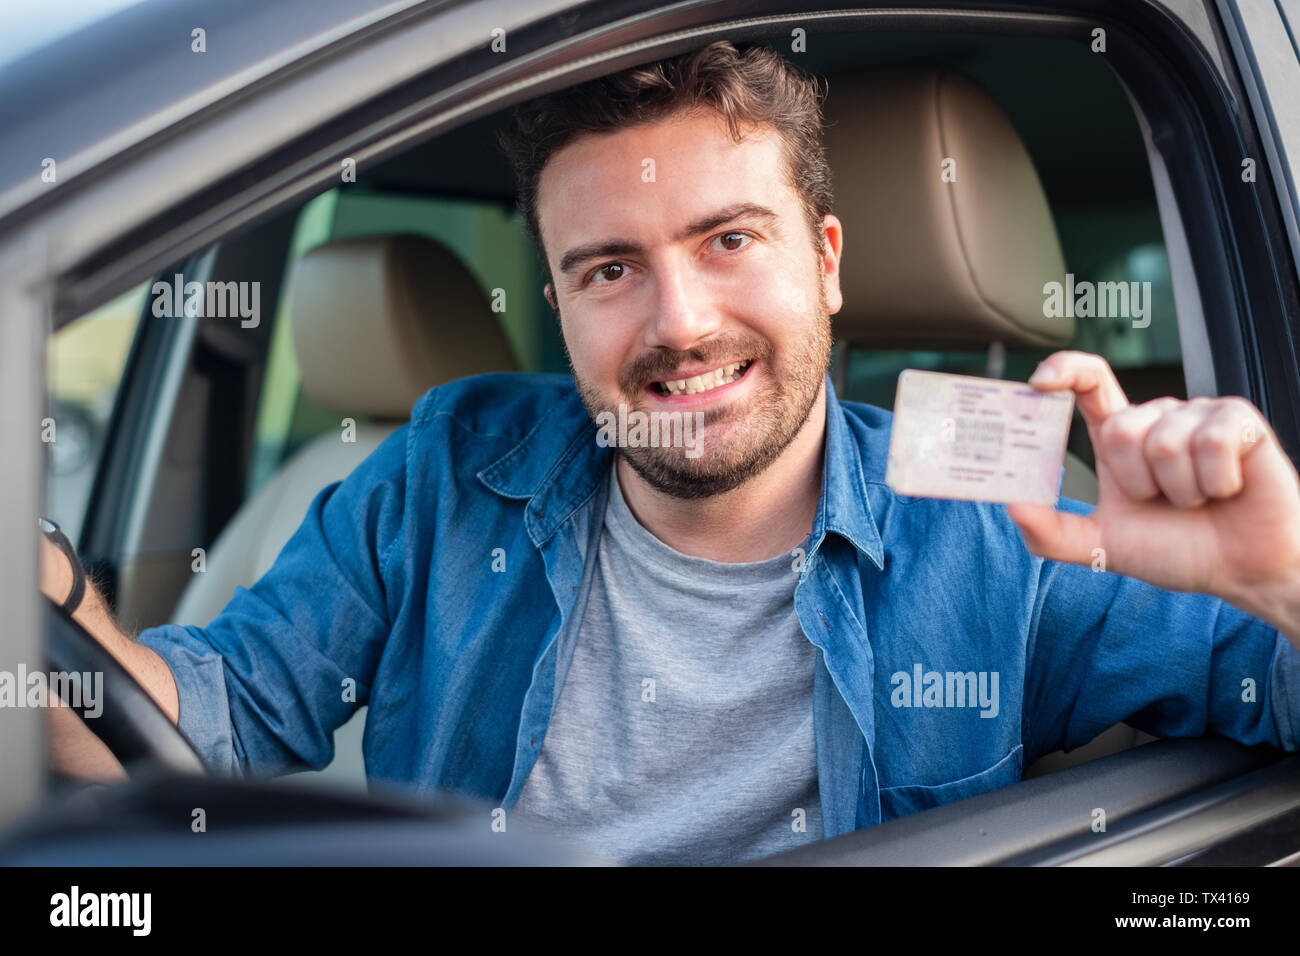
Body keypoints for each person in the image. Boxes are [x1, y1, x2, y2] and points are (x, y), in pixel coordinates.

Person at [41, 41, 1300, 866]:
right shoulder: (444, 469)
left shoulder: (999, 519)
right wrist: (33, 595)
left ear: (825, 262)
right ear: (555, 297)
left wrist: (1277, 573)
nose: (681, 322)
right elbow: (197, 726)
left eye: (728, 240)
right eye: (610, 268)